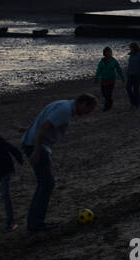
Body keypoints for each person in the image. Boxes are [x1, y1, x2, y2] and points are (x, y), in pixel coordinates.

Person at [21, 93, 98, 233]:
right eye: (89, 110)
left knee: (44, 184)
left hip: (33, 143)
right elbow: (44, 127)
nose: (88, 114)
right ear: (83, 104)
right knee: (47, 184)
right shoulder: (65, 110)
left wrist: (28, 130)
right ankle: (35, 224)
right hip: (36, 146)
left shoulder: (62, 104)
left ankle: (34, 222)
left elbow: (42, 120)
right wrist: (37, 152)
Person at [95, 46, 124, 111]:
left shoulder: (114, 61)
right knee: (104, 93)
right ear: (104, 53)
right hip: (103, 80)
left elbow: (118, 70)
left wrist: (122, 78)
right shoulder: (102, 61)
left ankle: (106, 107)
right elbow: (99, 70)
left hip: (111, 80)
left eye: (110, 52)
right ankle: (110, 102)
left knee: (108, 94)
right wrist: (96, 77)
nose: (108, 53)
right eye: (107, 52)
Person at [126, 42, 140, 109]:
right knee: (128, 88)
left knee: (136, 90)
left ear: (134, 47)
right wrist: (127, 72)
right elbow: (129, 64)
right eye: (130, 48)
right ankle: (133, 102)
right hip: (130, 74)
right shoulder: (131, 54)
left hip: (137, 75)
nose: (130, 49)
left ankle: (136, 104)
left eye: (131, 48)